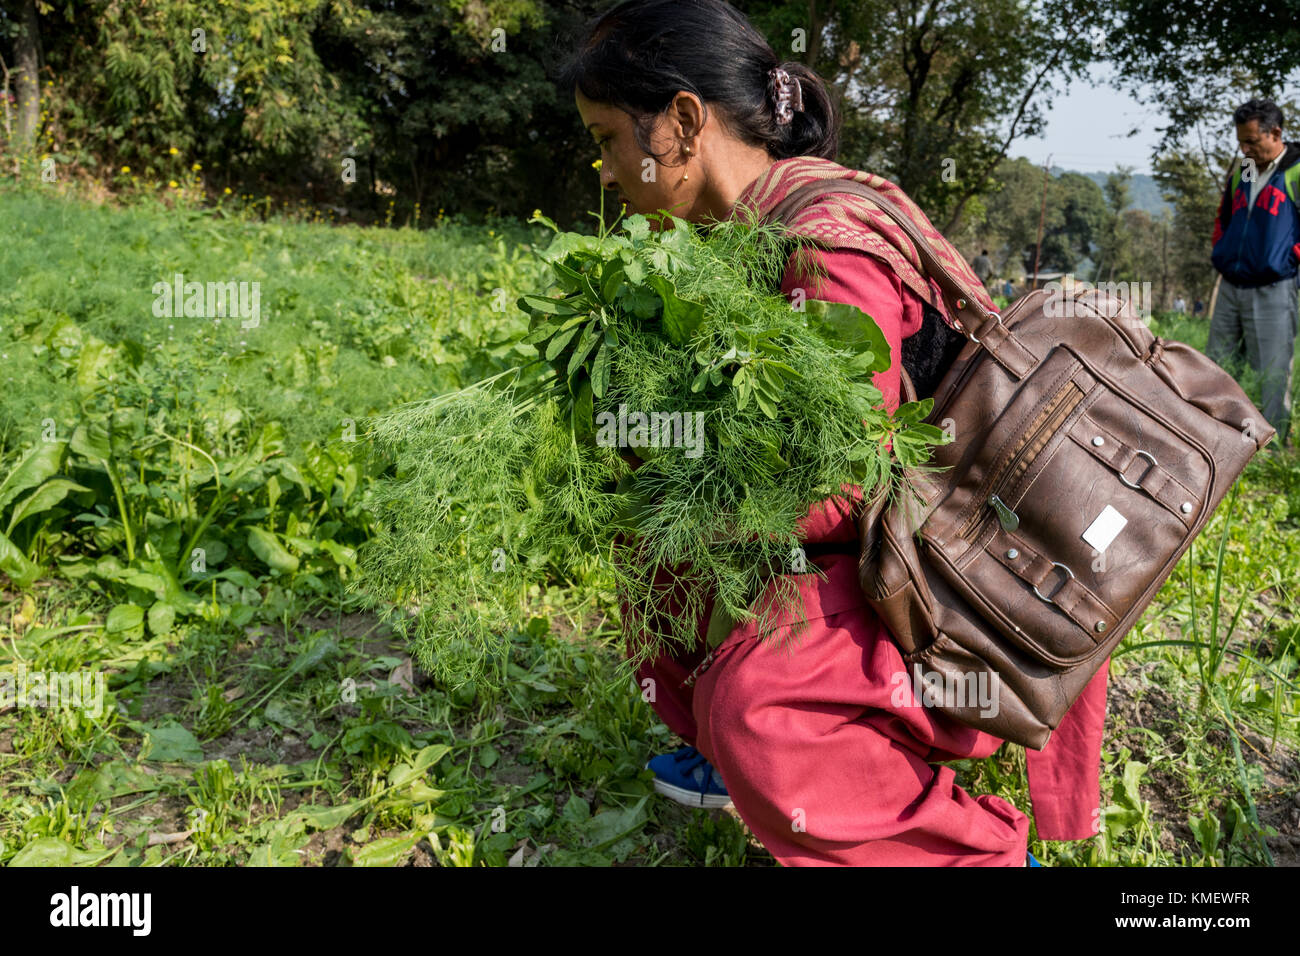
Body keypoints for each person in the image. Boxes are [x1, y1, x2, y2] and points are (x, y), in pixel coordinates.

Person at [560, 0, 1107, 866]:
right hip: (896, 538)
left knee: (758, 700)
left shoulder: (823, 247)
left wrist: (684, 480)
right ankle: (731, 749)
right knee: (659, 527)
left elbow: (839, 481)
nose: (602, 169)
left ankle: (949, 843)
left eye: (605, 139)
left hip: (968, 587)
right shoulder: (739, 233)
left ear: (683, 122)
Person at [1208, 98, 1300, 451]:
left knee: (1273, 373)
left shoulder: (1295, 169)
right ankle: (1215, 441)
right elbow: (1226, 216)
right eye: (1241, 142)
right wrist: (1222, 251)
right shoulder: (1245, 169)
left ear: (1275, 133)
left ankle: (1271, 448)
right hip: (1231, 284)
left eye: (1252, 141)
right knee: (1216, 365)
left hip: (1275, 288)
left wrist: (1290, 260)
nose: (1245, 149)